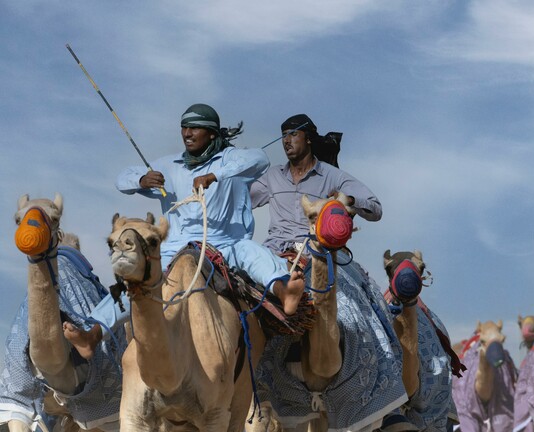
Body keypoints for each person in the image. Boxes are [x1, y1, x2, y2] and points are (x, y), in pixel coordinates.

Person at [64, 104, 305, 358]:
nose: (187, 133)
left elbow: (260, 159)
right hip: (175, 249)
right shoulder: (170, 164)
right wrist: (142, 181)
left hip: (224, 245)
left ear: (212, 133)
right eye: (184, 127)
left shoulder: (231, 159)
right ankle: (92, 333)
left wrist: (214, 175)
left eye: (195, 128)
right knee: (134, 281)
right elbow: (122, 178)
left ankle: (283, 289)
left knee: (251, 251)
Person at [250, 114, 381, 253]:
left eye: (293, 134)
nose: (287, 140)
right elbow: (238, 198)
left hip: (315, 252)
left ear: (308, 139)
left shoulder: (332, 175)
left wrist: (348, 200)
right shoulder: (273, 175)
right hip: (273, 252)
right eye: (284, 135)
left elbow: (376, 209)